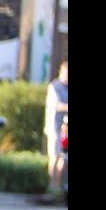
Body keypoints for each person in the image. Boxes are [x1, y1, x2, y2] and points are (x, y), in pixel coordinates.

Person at [43, 59, 68, 197]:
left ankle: (58, 186)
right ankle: (51, 185)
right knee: (54, 156)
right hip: (55, 127)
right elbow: (56, 105)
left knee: (63, 158)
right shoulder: (55, 86)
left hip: (66, 129)